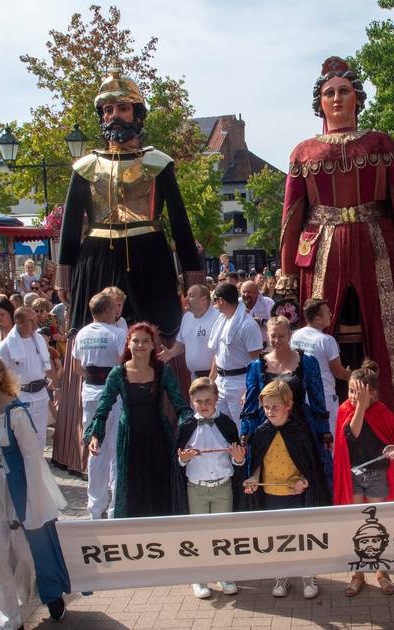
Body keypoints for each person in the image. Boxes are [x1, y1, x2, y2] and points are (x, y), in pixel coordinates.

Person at [276, 57, 394, 406]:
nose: (336, 98)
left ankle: (393, 406)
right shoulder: (304, 152)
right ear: (320, 103)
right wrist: (286, 274)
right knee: (317, 330)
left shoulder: (380, 145)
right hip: (322, 249)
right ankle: (319, 410)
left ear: (357, 97)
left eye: (344, 91)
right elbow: (291, 217)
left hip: (377, 243)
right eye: (329, 93)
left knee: (386, 326)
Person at [56, 69, 203, 334]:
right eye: (107, 110)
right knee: (96, 330)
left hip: (150, 259)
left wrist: (193, 275)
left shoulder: (158, 163)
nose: (113, 116)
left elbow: (181, 224)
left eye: (122, 108)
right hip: (96, 259)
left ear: (137, 113)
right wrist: (63, 277)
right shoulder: (86, 167)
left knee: (156, 332)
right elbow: (70, 226)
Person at [0, 352, 71, 628]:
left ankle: (49, 591)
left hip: (19, 487)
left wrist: (35, 501)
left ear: (0, 376)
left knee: (25, 550)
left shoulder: (15, 412)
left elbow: (33, 459)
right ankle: (10, 619)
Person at [85, 322, 191, 518]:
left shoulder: (163, 371)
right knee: (133, 489)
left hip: (159, 437)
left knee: (161, 487)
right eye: (136, 341)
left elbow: (181, 406)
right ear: (128, 344)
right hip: (129, 439)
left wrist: (191, 430)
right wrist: (95, 435)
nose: (140, 345)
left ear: (153, 345)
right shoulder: (118, 373)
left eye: (145, 341)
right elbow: (103, 407)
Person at [242, 380, 330, 599]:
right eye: (266, 407)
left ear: (289, 404)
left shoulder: (300, 431)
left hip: (296, 496)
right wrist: (253, 479)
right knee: (277, 537)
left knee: (301, 536)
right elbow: (258, 465)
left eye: (275, 407)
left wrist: (303, 480)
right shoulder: (261, 432)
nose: (270, 412)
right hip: (272, 496)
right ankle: (282, 575)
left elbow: (310, 466)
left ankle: (308, 575)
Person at [332, 362, 394, 598]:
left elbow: (392, 444)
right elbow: (351, 435)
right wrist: (360, 408)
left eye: (360, 392)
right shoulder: (346, 409)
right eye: (351, 391)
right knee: (358, 524)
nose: (354, 396)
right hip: (353, 475)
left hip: (377, 476)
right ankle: (358, 573)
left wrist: (393, 450)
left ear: (373, 393)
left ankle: (382, 572)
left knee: (377, 524)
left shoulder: (383, 412)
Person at [175, 377, 246, 599]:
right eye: (199, 401)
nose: (204, 405)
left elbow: (238, 462)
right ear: (192, 401)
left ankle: (224, 574)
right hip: (196, 488)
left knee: (223, 533)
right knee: (199, 533)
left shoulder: (226, 424)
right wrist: (183, 460)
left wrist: (238, 458)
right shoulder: (186, 425)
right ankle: (200, 578)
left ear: (216, 399)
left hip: (223, 488)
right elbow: (176, 463)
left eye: (208, 400)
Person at [240, 316, 331, 461]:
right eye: (273, 336)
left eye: (281, 336)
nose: (277, 341)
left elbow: (317, 400)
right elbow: (250, 405)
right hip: (268, 425)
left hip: (300, 427)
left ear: (289, 335)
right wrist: (245, 431)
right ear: (267, 336)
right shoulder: (256, 366)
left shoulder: (307, 362)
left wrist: (324, 430)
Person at [70, 292, 127, 519]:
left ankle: (95, 508)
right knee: (114, 448)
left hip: (90, 391)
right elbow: (125, 365)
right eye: (114, 309)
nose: (116, 313)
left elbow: (76, 369)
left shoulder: (81, 334)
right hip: (112, 394)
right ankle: (114, 509)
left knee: (95, 448)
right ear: (106, 311)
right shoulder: (117, 334)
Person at [290, 298, 350, 440]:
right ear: (317, 318)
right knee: (328, 439)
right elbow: (339, 372)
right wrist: (354, 374)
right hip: (324, 397)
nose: (331, 315)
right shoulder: (326, 340)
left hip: (302, 395)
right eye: (327, 312)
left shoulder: (295, 335)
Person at [0, 308, 54, 454]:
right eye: (31, 321)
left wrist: (56, 386)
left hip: (40, 394)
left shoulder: (39, 339)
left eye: (36, 319)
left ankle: (37, 471)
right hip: (20, 397)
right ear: (18, 321)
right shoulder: (6, 346)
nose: (36, 324)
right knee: (22, 439)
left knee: (40, 437)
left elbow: (47, 363)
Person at [206, 283, 263, 425]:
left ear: (221, 301)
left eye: (214, 301)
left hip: (240, 385)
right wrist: (210, 381)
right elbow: (218, 354)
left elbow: (257, 362)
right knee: (220, 429)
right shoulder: (223, 321)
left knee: (242, 430)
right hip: (220, 384)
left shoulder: (248, 325)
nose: (214, 305)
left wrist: (251, 390)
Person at [157, 284, 220, 380]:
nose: (186, 299)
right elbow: (181, 343)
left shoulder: (218, 317)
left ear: (203, 299)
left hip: (216, 377)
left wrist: (211, 379)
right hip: (195, 377)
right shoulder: (187, 317)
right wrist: (171, 353)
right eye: (187, 295)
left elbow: (221, 352)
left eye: (191, 296)